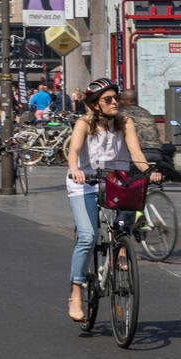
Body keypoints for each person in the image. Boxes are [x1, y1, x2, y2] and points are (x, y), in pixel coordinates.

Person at [65, 79, 157, 323]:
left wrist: (148, 171)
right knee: (87, 236)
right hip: (85, 182)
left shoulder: (125, 122)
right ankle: (76, 292)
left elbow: (136, 153)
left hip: (116, 179)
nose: (115, 102)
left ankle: (120, 249)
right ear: (95, 104)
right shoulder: (83, 123)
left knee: (128, 211)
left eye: (116, 97)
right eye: (108, 99)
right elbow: (73, 151)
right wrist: (75, 169)